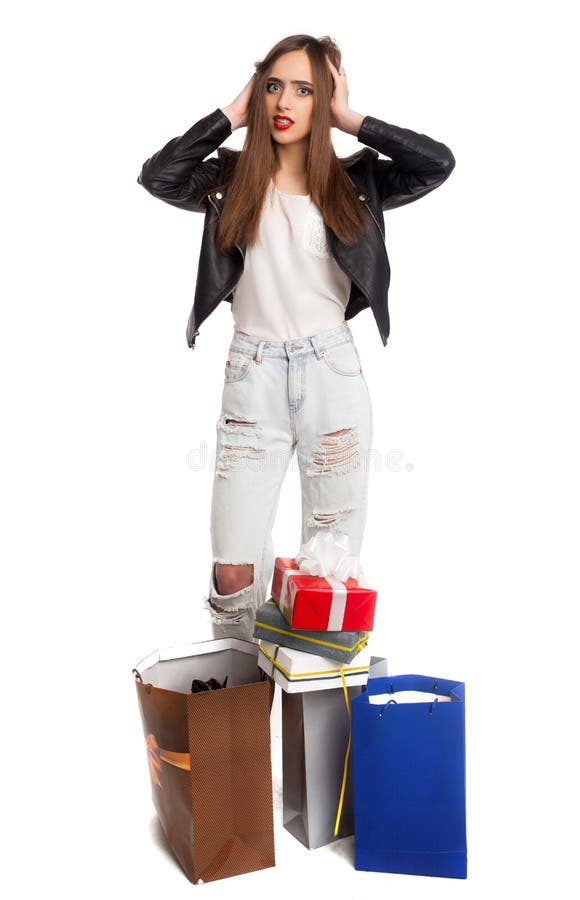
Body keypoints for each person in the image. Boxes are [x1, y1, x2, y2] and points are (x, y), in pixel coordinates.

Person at [137, 34, 456, 640]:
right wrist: (231, 115)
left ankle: (318, 724)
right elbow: (159, 177)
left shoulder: (357, 181)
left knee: (327, 574)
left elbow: (436, 162)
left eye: (305, 89)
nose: (285, 100)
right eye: (274, 85)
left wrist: (349, 118)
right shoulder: (228, 178)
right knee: (232, 570)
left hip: (331, 375)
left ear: (326, 99)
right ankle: (236, 723)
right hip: (250, 375)